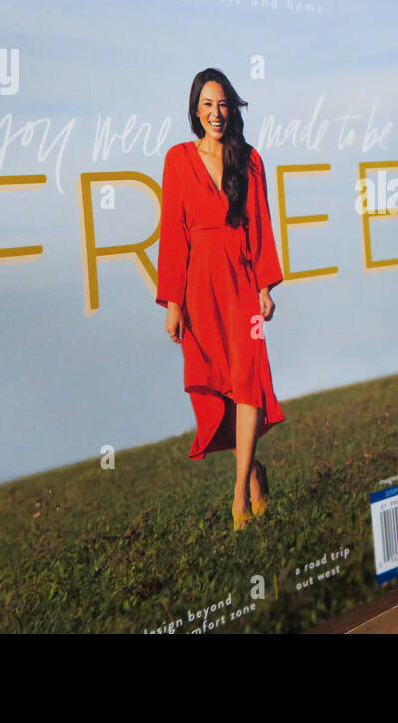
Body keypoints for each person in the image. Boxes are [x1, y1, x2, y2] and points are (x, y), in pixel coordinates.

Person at [156, 68, 284, 532]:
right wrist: (173, 301)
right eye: (208, 104)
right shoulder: (177, 159)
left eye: (223, 104)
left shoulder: (249, 161)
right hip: (198, 287)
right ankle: (252, 473)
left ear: (232, 109)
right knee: (221, 384)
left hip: (242, 283)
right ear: (195, 109)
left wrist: (265, 287)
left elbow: (261, 224)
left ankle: (238, 499)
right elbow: (172, 232)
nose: (216, 112)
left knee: (247, 381)